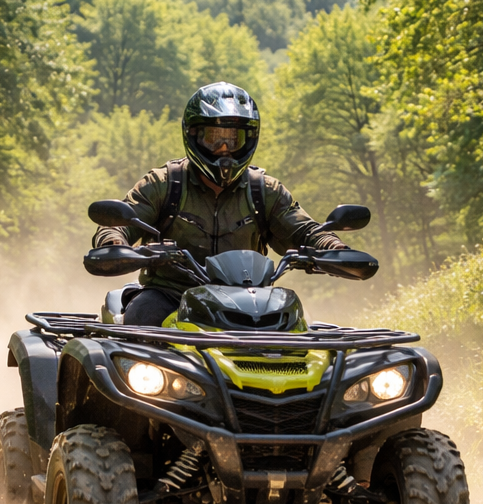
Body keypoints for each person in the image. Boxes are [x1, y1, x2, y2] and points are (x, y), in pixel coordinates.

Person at [92, 81, 349, 326]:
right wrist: (114, 243)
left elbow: (304, 231)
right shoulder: (165, 184)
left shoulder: (264, 190)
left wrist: (333, 246)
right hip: (173, 296)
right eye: (214, 138)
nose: (224, 148)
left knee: (294, 322)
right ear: (193, 135)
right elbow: (119, 222)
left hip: (249, 300)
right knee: (142, 314)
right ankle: (137, 372)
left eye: (233, 139)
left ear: (248, 139)